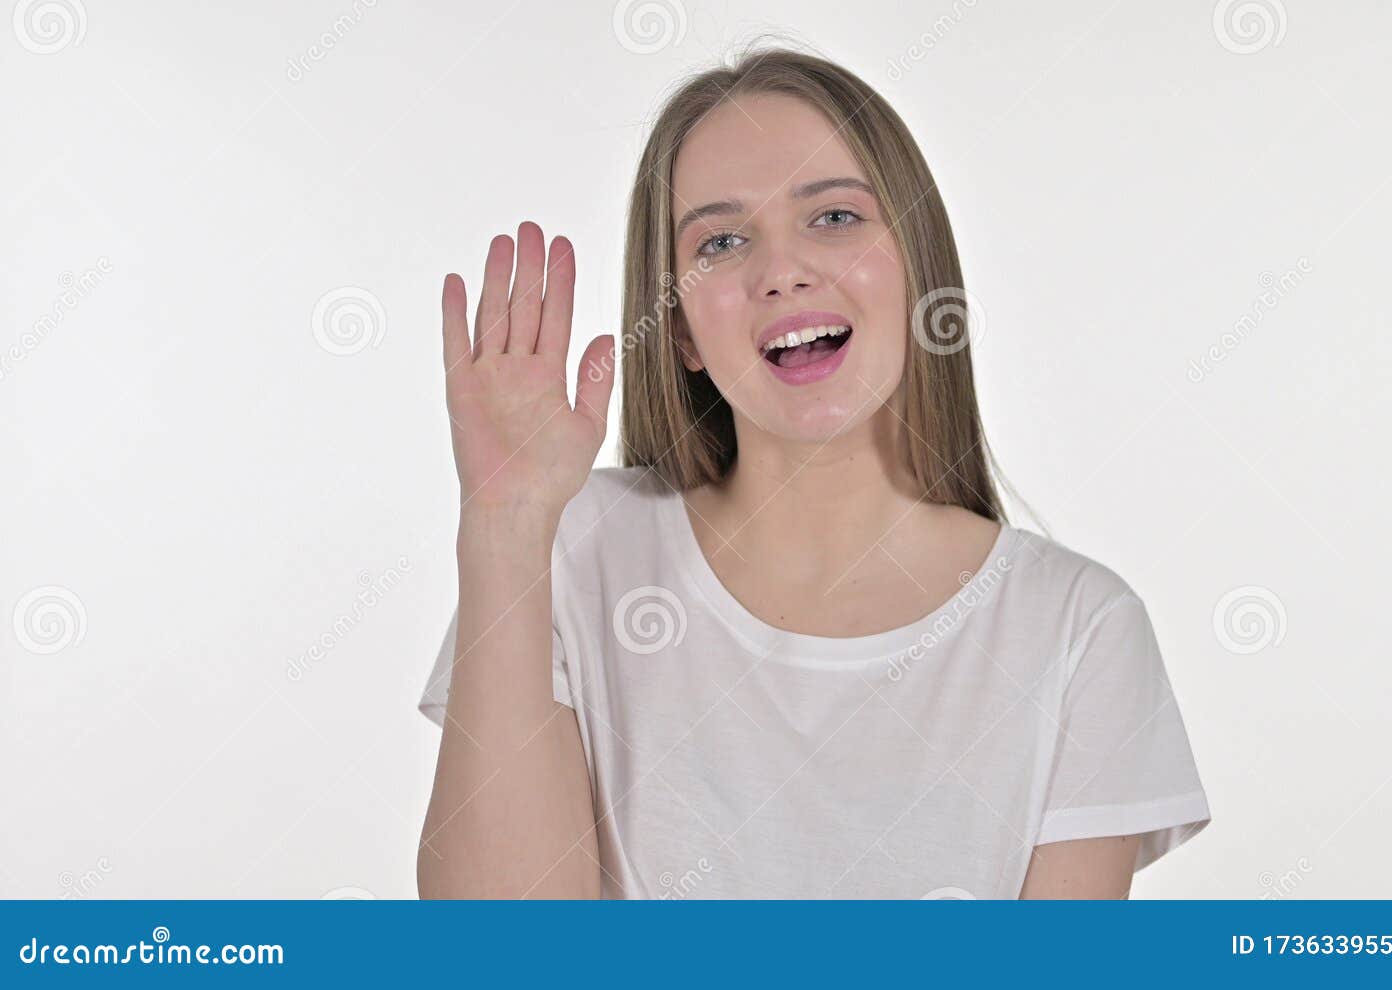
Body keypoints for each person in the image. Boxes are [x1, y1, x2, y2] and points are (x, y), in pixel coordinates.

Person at [416, 45, 1210, 900]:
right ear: (679, 329)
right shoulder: (574, 549)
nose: (782, 271)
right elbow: (501, 950)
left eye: (833, 217)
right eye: (720, 241)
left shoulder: (1076, 630)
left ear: (918, 269)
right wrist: (504, 526)